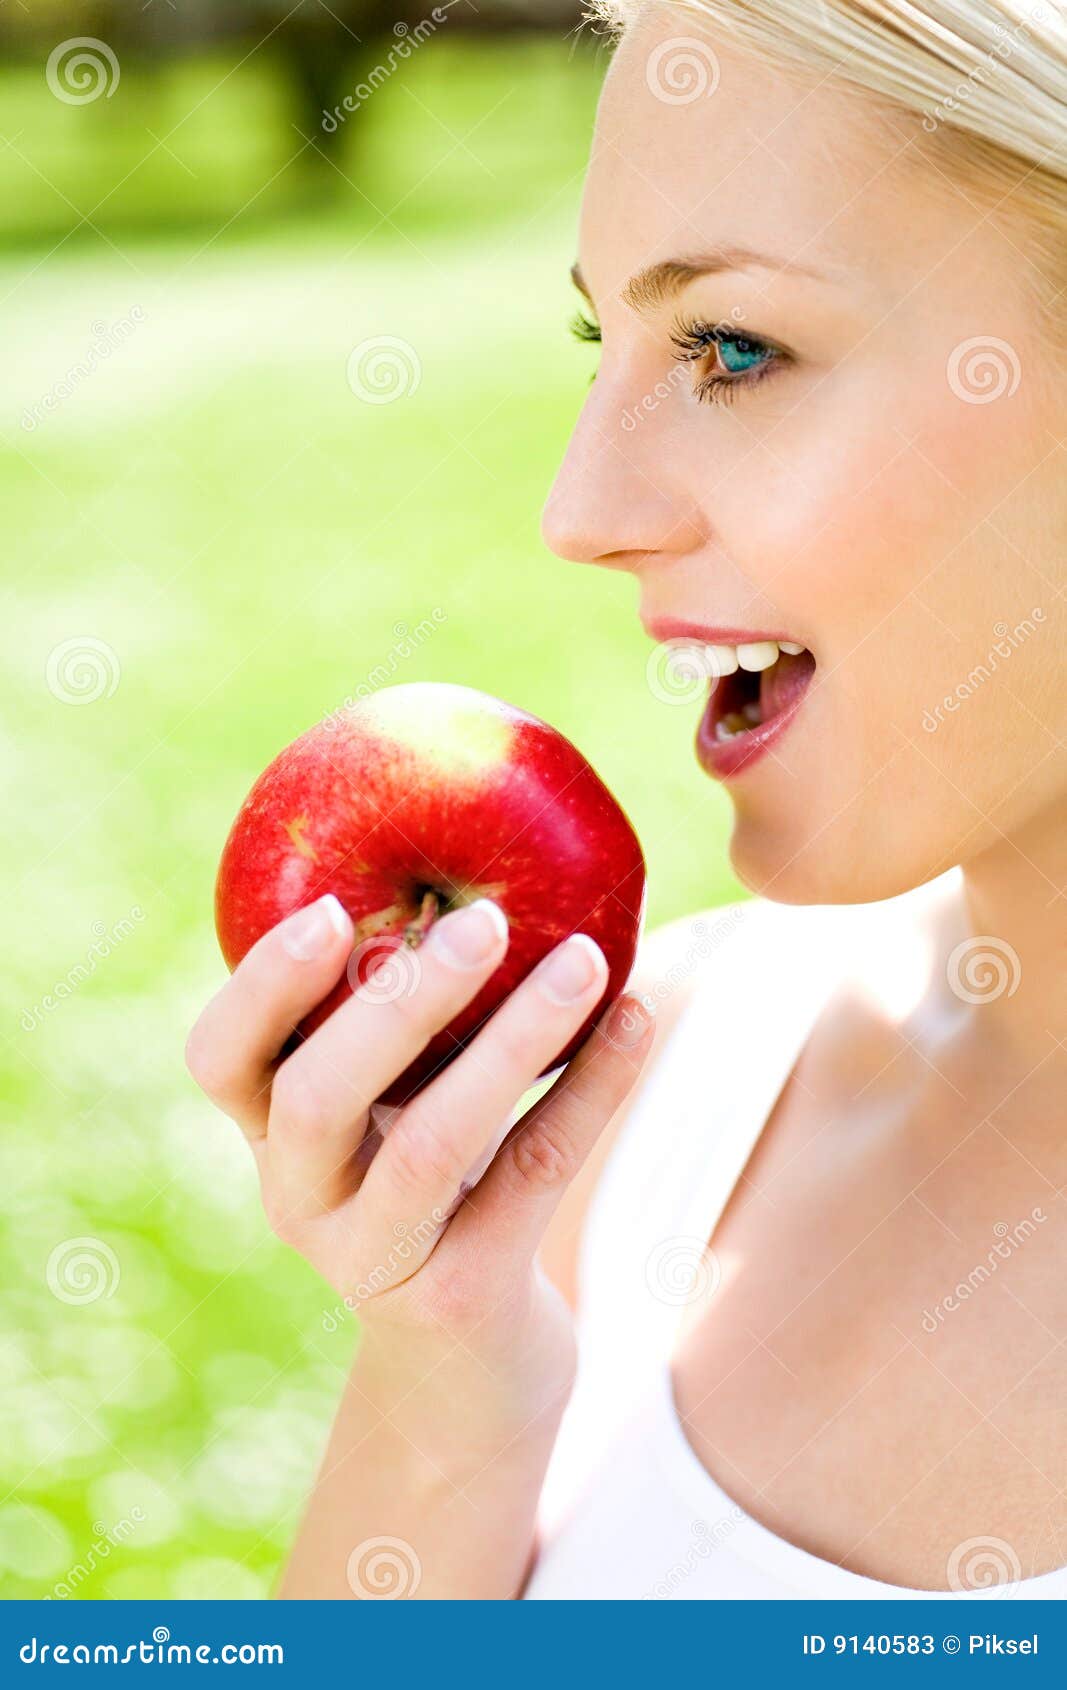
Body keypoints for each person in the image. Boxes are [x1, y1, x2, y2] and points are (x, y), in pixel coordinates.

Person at [186, 0, 1067, 1598]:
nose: (577, 512)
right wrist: (450, 1373)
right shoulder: (657, 1083)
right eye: (610, 345)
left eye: (735, 348)